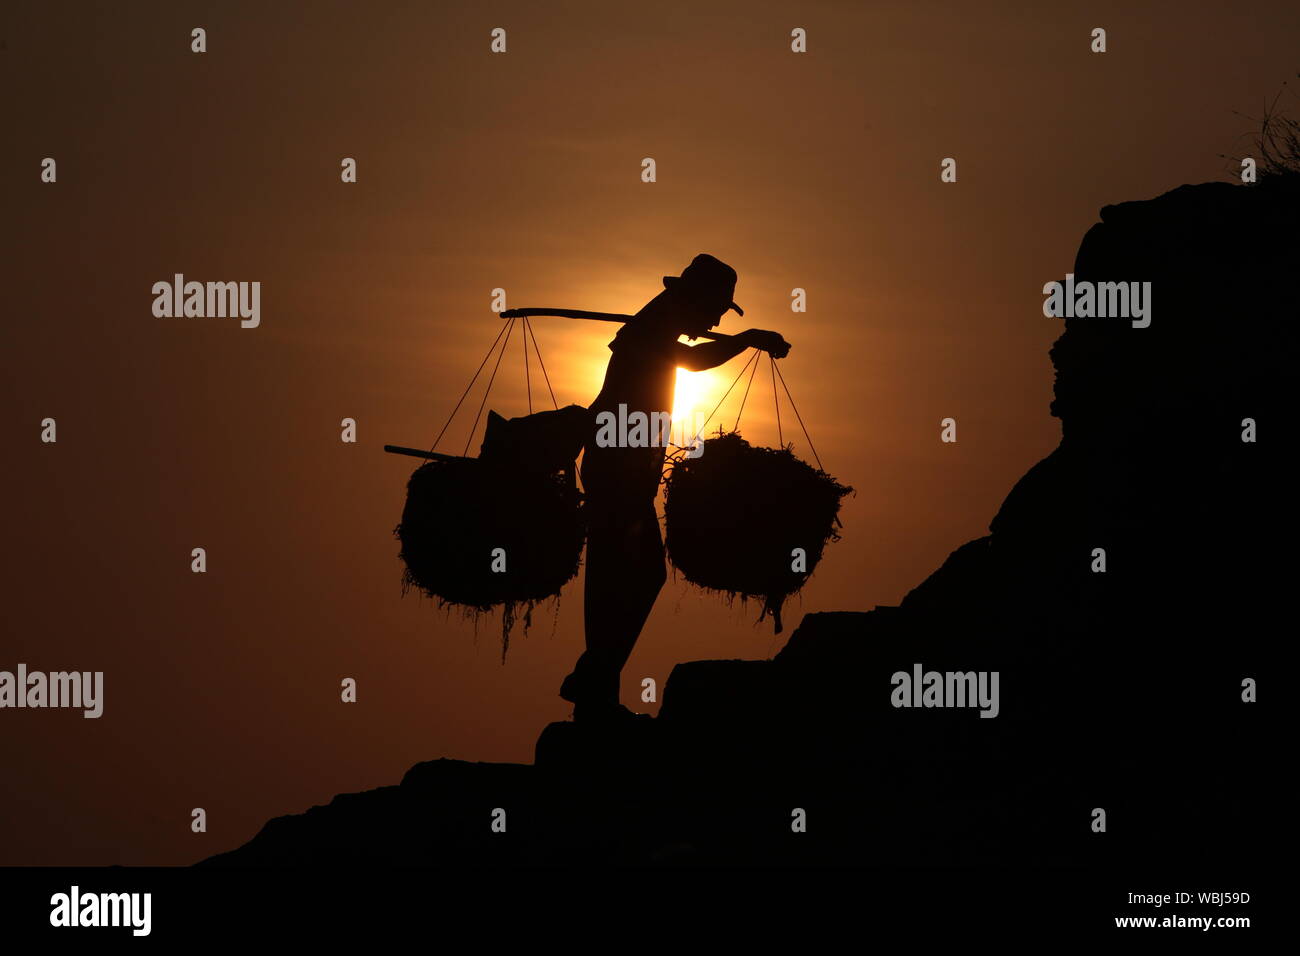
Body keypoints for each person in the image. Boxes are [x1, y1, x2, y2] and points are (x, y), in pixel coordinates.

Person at [559, 254, 791, 723]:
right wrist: (746, 340)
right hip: (615, 470)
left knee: (618, 574)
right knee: (634, 574)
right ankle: (593, 681)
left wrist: (749, 340)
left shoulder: (659, 323)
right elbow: (688, 360)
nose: (718, 319)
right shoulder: (656, 323)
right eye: (719, 309)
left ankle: (595, 687)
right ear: (696, 298)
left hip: (624, 470)